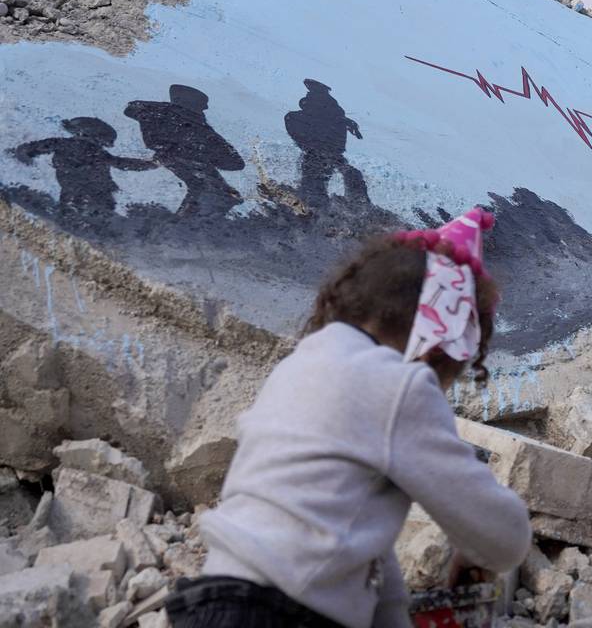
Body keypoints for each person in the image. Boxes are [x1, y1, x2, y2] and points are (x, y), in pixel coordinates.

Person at [165, 207, 532, 628]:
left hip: (212, 604)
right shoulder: (402, 386)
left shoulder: (301, 366)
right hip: (288, 614)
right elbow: (505, 538)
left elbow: (362, 548)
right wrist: (476, 546)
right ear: (437, 349)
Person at [124, 85, 245, 218]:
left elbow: (131, 109)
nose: (206, 109)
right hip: (206, 185)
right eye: (202, 105)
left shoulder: (157, 113)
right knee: (212, 193)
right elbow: (235, 163)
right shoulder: (202, 131)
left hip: (171, 159)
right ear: (190, 102)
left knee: (202, 190)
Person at [12, 117, 155, 217]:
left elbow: (31, 149)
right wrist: (152, 164)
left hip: (78, 193)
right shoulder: (99, 153)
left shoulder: (60, 143)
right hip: (98, 197)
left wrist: (20, 153)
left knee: (70, 206)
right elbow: (123, 163)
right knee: (91, 210)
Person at [284, 79, 369, 207]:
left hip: (319, 153)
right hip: (328, 153)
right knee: (318, 179)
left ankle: (314, 205)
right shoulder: (334, 111)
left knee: (314, 180)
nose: (307, 95)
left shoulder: (325, 110)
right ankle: (315, 203)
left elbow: (295, 122)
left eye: (310, 93)